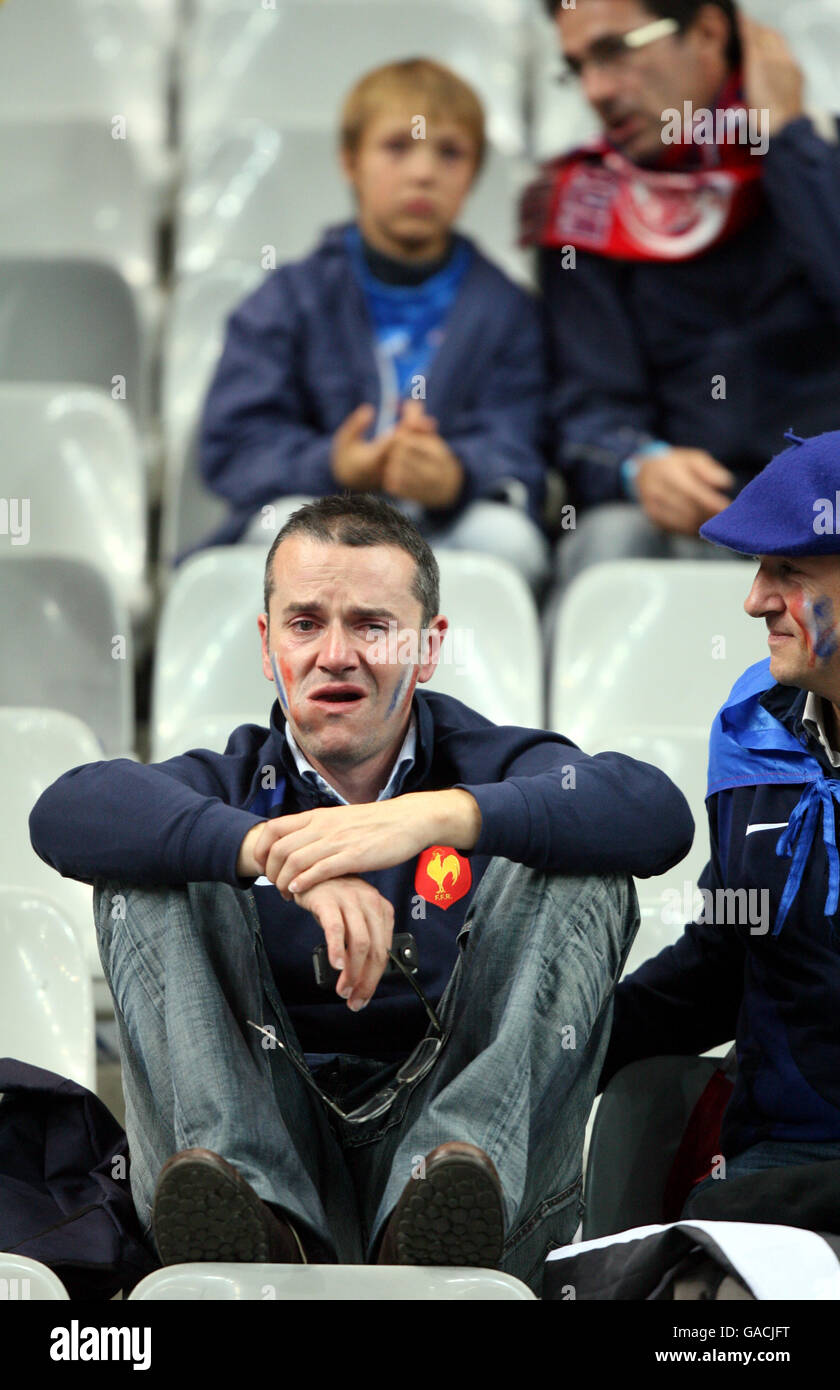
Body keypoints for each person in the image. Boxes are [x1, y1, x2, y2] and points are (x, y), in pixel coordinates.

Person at [30, 495, 693, 1293]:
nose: (335, 653)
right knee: (148, 875)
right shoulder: (234, 783)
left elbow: (655, 814)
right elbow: (66, 811)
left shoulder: (485, 761)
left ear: (428, 645)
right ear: (268, 643)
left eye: (372, 626)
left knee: (582, 864)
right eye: (305, 623)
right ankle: (252, 1218)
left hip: (464, 1163)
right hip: (263, 1141)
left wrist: (433, 818)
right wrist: (271, 852)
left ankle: (441, 1211)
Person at [598, 429, 840, 1216]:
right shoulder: (755, 732)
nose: (754, 599)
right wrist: (553, 1046)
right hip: (778, 1162)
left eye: (788, 572)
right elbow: (724, 959)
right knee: (710, 1321)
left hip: (786, 1194)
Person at [197, 58, 551, 592]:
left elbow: (525, 445)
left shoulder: (509, 310)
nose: (423, 172)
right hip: (318, 516)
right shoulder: (287, 298)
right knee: (273, 530)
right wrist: (334, 465)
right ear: (350, 162)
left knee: (509, 541)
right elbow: (233, 448)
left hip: (452, 524)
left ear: (474, 175)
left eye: (450, 153)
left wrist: (456, 475)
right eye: (397, 147)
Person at [527, 0, 840, 583]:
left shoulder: (822, 159)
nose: (594, 89)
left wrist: (792, 146)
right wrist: (636, 465)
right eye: (578, 66)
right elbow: (587, 411)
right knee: (609, 538)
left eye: (613, 51)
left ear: (707, 32)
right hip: (692, 518)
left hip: (831, 499)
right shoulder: (584, 207)